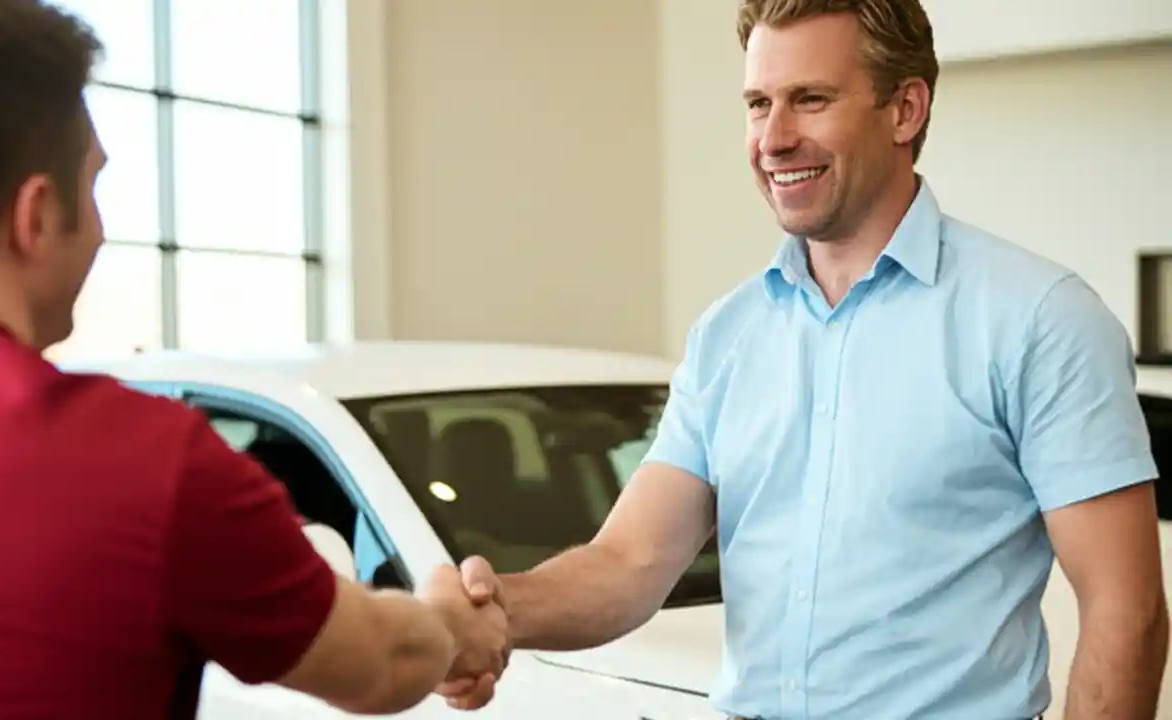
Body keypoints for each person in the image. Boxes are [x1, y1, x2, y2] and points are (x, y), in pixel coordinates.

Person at [435, 0, 1170, 718]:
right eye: (758, 104)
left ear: (905, 109)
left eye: (809, 100)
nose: (773, 138)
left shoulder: (1038, 319)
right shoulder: (728, 337)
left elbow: (1126, 612)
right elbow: (628, 564)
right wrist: (500, 610)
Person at [0, 2, 506, 718]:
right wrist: (445, 621)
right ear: (33, 216)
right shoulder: (139, 463)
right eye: (91, 188)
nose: (99, 233)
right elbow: (381, 664)